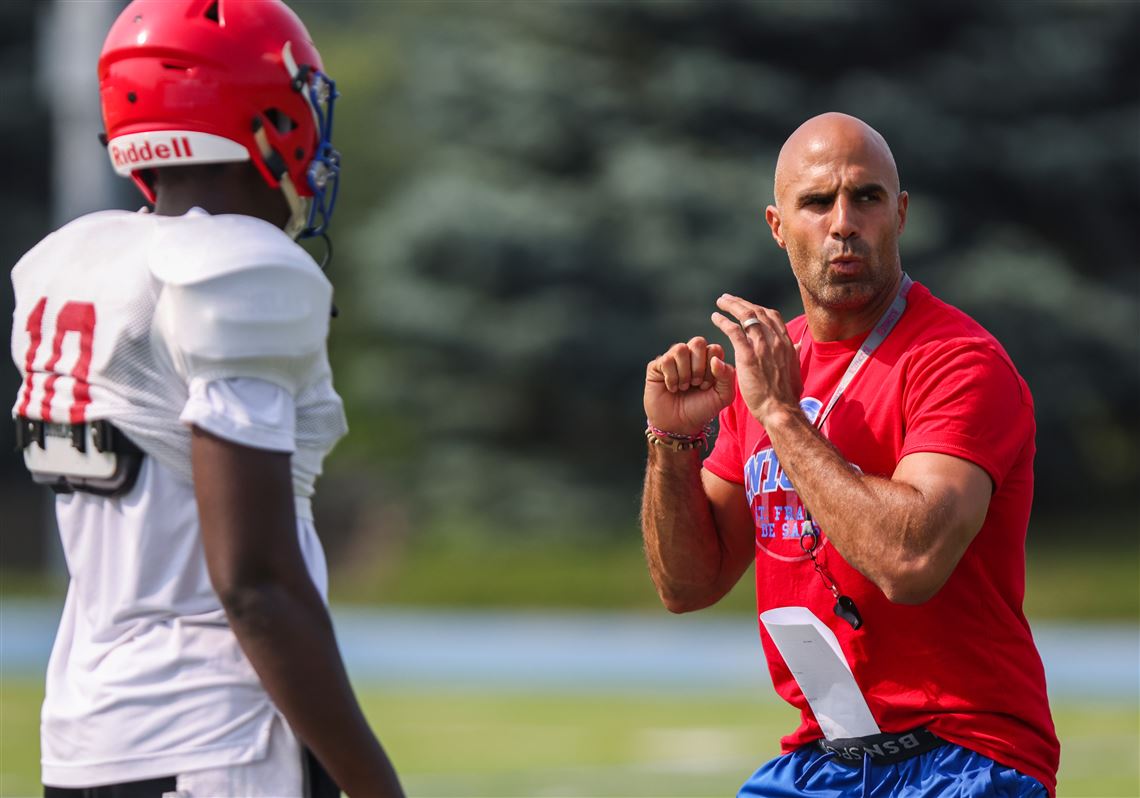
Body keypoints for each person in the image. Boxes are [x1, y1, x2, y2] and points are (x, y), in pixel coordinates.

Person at [10, 1, 403, 796]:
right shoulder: (241, 267)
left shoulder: (72, 262)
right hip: (216, 739)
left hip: (87, 735)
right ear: (263, 117)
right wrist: (373, 784)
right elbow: (254, 584)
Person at [640, 112, 1059, 797]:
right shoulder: (771, 364)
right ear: (777, 226)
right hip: (822, 758)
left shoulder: (959, 362)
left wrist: (781, 414)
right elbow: (688, 585)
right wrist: (673, 441)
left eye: (865, 197)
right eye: (816, 201)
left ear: (899, 214)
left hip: (964, 756)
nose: (843, 222)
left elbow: (911, 562)